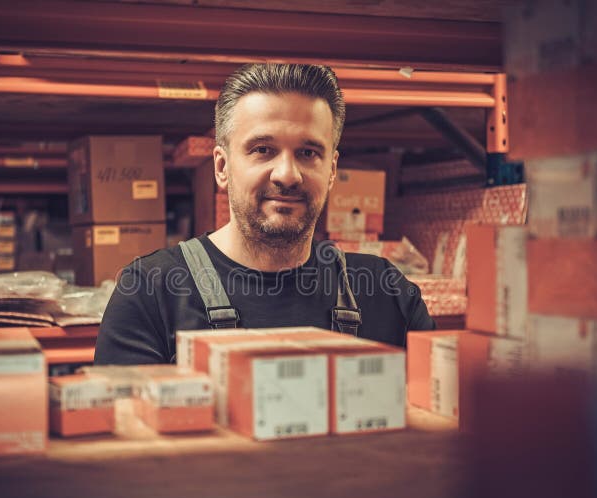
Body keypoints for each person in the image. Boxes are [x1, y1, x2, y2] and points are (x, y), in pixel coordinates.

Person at [95, 63, 434, 365]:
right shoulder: (150, 293)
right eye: (263, 150)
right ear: (222, 166)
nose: (287, 174)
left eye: (308, 152)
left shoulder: (388, 294)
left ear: (332, 169)